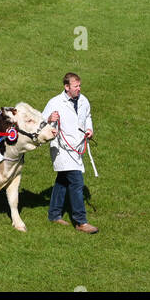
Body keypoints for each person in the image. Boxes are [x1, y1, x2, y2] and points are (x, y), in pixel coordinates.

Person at [43, 73, 98, 234]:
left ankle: (54, 214)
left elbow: (87, 116)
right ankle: (81, 221)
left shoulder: (83, 100)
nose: (79, 89)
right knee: (76, 182)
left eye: (80, 86)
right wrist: (49, 118)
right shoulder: (55, 102)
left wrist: (89, 130)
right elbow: (40, 120)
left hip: (77, 147)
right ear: (67, 87)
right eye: (76, 86)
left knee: (63, 181)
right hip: (62, 149)